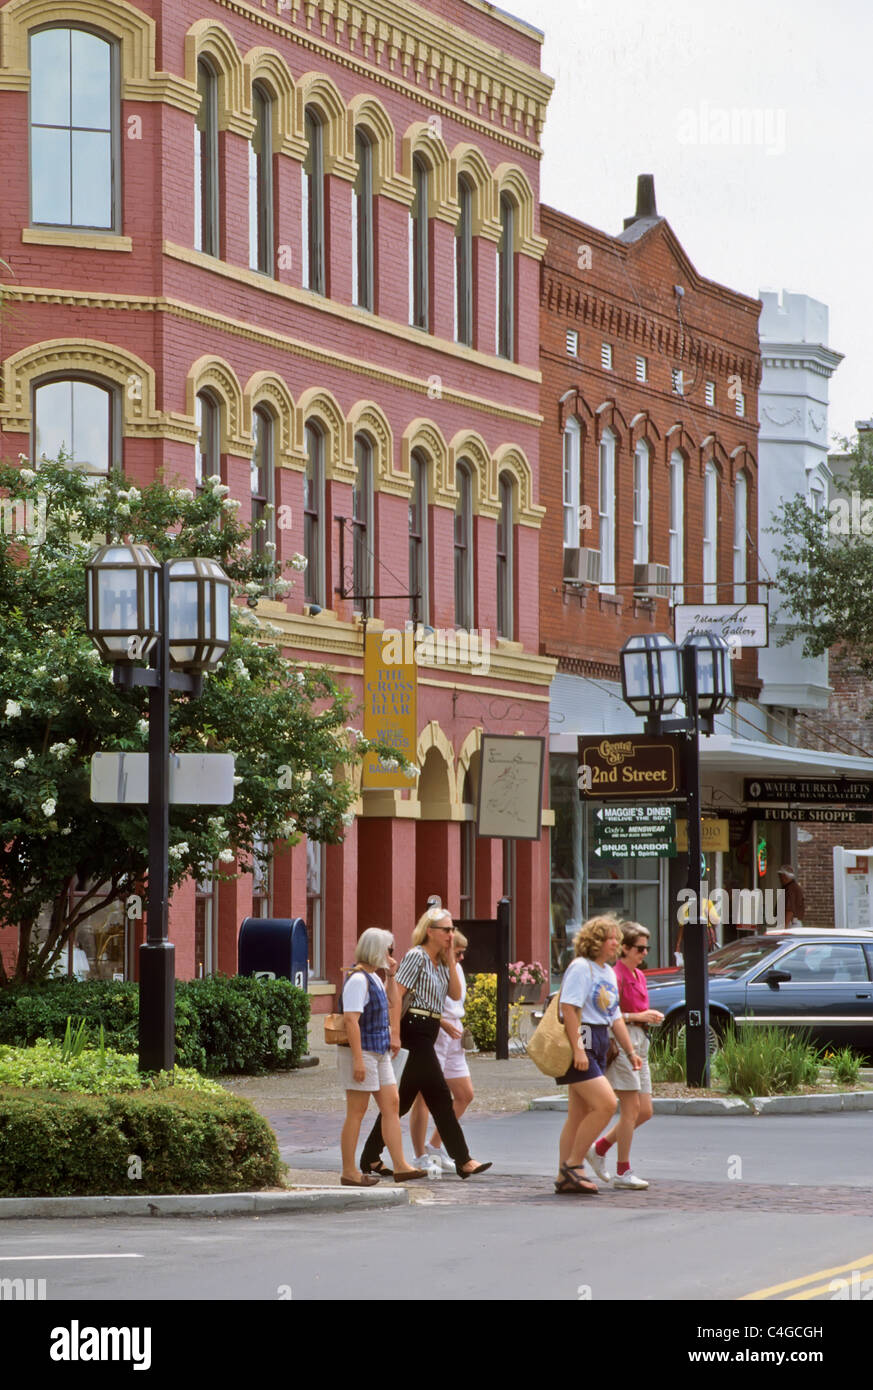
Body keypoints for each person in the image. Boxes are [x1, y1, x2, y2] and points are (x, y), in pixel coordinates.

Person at [359, 906, 491, 1180]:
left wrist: (451, 960)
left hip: (429, 1028)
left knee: (401, 1101)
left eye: (452, 930)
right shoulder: (416, 957)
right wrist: (395, 1033)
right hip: (413, 1030)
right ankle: (463, 1160)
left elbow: (454, 994)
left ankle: (370, 1156)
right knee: (441, 1096)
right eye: (446, 930)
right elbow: (396, 996)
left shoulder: (442, 963)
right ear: (429, 931)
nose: (451, 935)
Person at [553, 913, 642, 1195]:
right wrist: (578, 1048)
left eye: (616, 938)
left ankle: (563, 1176)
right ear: (595, 941)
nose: (614, 943)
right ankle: (574, 1165)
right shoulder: (581, 967)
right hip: (584, 1039)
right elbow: (568, 1008)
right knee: (605, 1104)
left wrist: (630, 1051)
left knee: (578, 1114)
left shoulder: (606, 972)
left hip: (601, 1040)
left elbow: (614, 1016)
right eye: (609, 938)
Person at [338, 927, 427, 1187]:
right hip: (363, 1051)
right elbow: (351, 1022)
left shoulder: (374, 977)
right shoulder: (357, 980)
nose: (392, 954)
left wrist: (391, 975)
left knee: (392, 1105)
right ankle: (348, 1171)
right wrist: (357, 1060)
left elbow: (391, 1001)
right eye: (389, 950)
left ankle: (400, 1165)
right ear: (376, 949)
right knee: (357, 1110)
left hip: (379, 1051)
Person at [588, 923, 663, 1191]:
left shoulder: (637, 975)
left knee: (645, 1111)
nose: (644, 953)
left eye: (647, 948)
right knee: (630, 1109)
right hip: (623, 1040)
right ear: (625, 949)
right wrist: (638, 1017)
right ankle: (623, 1170)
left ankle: (600, 1147)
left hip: (639, 1039)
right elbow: (611, 1015)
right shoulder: (615, 975)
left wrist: (646, 1017)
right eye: (640, 948)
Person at [409, 931, 473, 1171]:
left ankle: (434, 1145)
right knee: (423, 1098)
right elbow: (419, 1002)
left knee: (465, 1094)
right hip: (435, 1032)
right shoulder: (430, 966)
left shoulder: (454, 967)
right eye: (458, 952)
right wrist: (441, 1022)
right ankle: (419, 1156)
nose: (462, 957)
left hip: (454, 1033)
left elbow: (456, 1000)